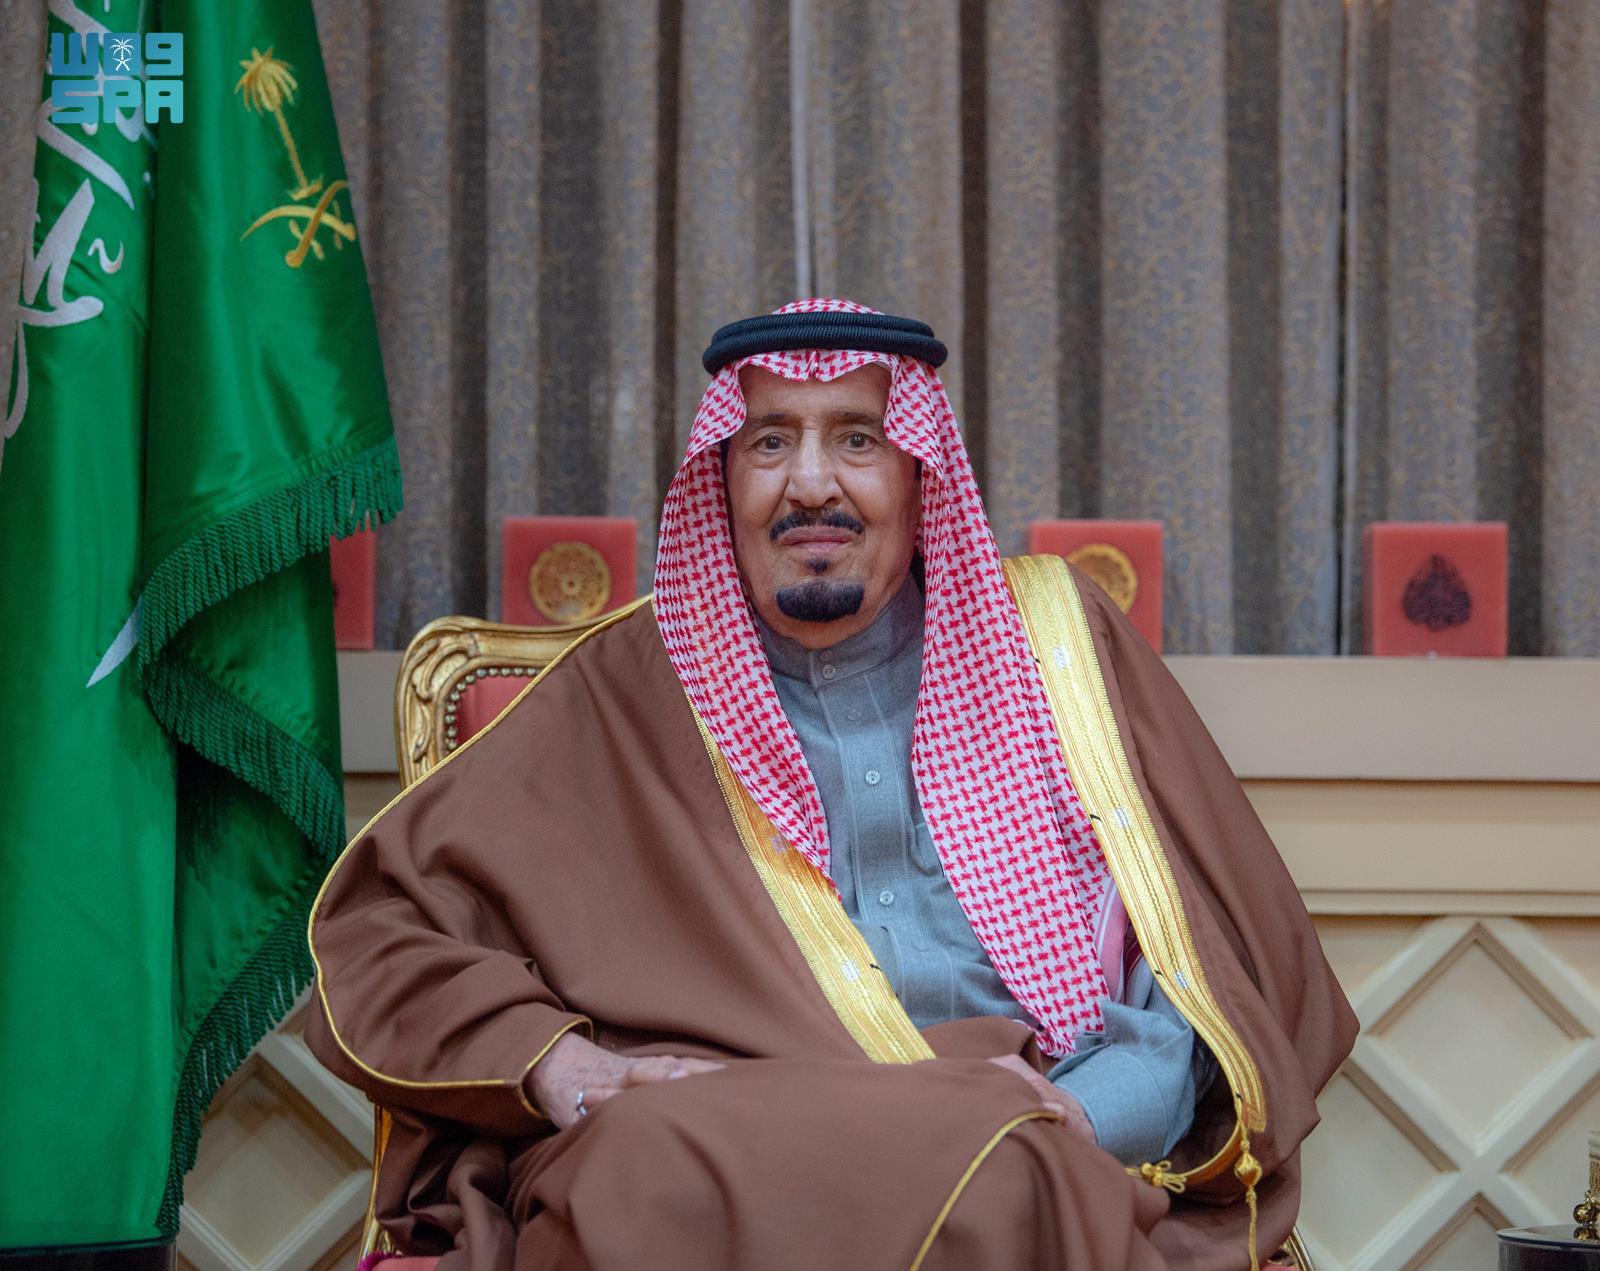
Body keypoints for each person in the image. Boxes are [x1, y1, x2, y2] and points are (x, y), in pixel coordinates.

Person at [306, 298, 1357, 1271]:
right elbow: (381, 928)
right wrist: (569, 1068)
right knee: (638, 1162)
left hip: (1004, 1123)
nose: (811, 482)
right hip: (709, 1121)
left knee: (1002, 1166)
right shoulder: (630, 686)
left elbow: (1202, 982)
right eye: (769, 442)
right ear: (723, 478)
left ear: (919, 471)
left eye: (856, 437)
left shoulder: (1057, 648)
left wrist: (1078, 1117)